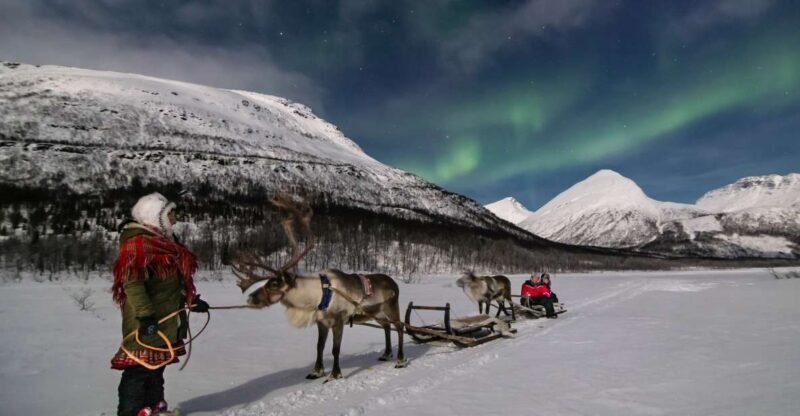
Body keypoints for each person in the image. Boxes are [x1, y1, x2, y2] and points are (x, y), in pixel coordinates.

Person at [110, 192, 210, 416]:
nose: (175, 218)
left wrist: (192, 301)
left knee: (156, 366)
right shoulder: (137, 244)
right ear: (155, 217)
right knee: (137, 368)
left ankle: (154, 406)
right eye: (170, 214)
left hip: (166, 319)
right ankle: (130, 411)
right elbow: (132, 284)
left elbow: (176, 282)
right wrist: (145, 317)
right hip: (145, 321)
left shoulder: (167, 244)